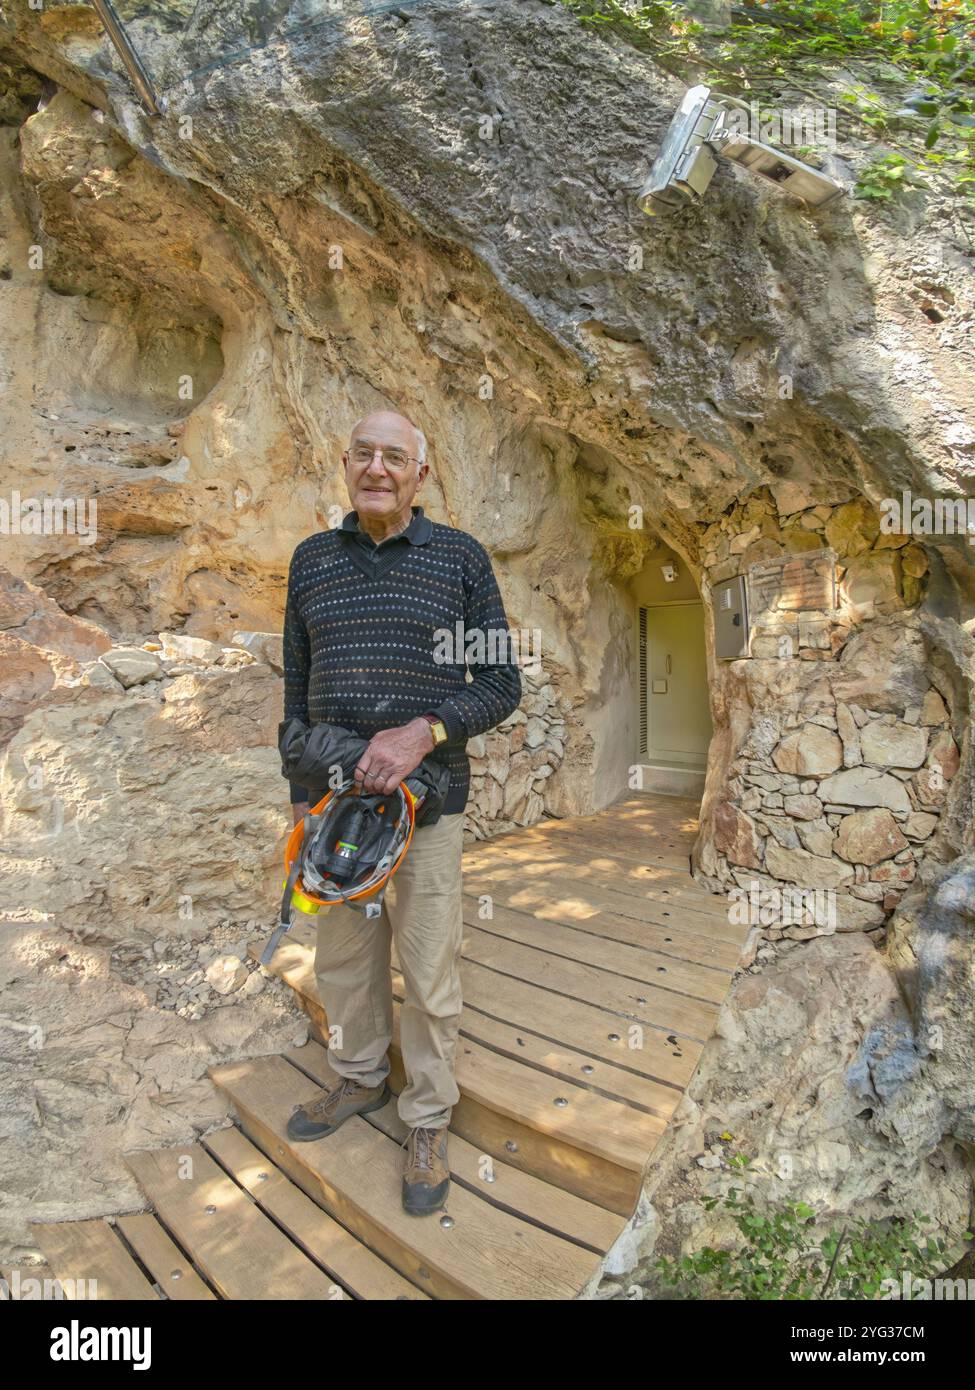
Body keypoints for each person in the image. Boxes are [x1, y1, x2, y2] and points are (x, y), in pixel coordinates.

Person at [281, 410, 522, 1214]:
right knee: (345, 966)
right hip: (335, 813)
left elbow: (499, 686)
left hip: (429, 808)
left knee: (426, 969)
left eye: (395, 456)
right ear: (344, 466)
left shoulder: (458, 558)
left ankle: (426, 1116)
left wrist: (425, 732)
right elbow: (293, 696)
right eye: (363, 454)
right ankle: (357, 1080)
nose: (376, 468)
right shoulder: (311, 560)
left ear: (421, 475)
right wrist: (301, 804)